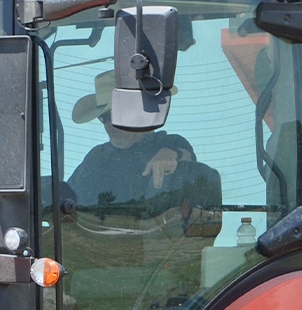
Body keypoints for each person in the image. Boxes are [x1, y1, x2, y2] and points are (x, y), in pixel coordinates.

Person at [67, 70, 207, 208]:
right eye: (103, 118)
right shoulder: (96, 156)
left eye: (114, 115)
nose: (108, 124)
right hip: (86, 229)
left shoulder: (169, 144)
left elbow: (185, 158)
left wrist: (171, 155)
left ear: (137, 111)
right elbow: (66, 197)